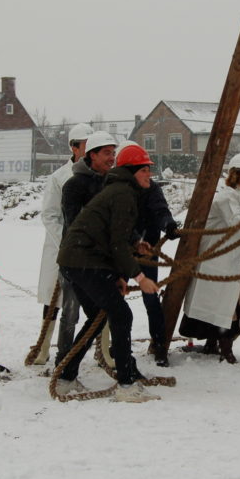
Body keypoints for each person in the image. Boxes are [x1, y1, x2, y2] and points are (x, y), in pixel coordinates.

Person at [56, 143, 161, 402]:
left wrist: (134, 247)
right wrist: (140, 277)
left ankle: (65, 379)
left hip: (78, 259)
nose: (149, 175)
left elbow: (116, 236)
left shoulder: (120, 190)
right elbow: (116, 243)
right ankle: (126, 385)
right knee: (121, 314)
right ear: (132, 171)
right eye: (145, 170)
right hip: (84, 260)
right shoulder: (124, 193)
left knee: (97, 318)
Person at [181, 153, 240, 364]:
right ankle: (225, 350)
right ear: (236, 176)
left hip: (233, 261)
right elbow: (239, 225)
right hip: (217, 262)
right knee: (224, 307)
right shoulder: (226, 197)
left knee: (227, 306)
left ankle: (213, 344)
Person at [52, 130, 118, 376]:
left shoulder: (109, 182)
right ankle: (64, 361)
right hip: (78, 261)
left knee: (100, 316)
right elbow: (77, 223)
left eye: (113, 153)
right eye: (106, 153)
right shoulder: (74, 185)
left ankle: (70, 366)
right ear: (91, 155)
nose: (111, 158)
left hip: (100, 261)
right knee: (74, 313)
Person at [30, 122, 93, 365]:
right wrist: (67, 240)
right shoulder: (59, 177)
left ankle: (103, 349)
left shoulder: (99, 176)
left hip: (90, 250)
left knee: (94, 301)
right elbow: (49, 215)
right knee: (54, 300)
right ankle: (44, 347)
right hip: (61, 248)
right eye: (86, 146)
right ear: (73, 148)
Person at [121, 141, 179, 367]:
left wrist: (169, 225)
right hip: (122, 251)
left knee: (151, 299)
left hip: (147, 251)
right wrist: (135, 239)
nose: (149, 173)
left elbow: (160, 209)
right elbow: (121, 222)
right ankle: (114, 346)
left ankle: (160, 346)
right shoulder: (119, 191)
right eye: (143, 169)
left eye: (148, 168)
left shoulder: (152, 189)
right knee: (116, 297)